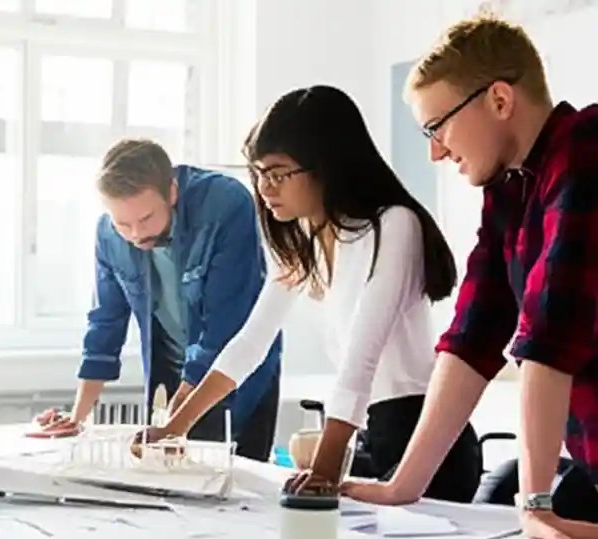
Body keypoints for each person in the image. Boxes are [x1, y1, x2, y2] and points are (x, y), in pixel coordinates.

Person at [342, 14, 598, 539]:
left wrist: (535, 504)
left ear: (499, 100)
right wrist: (402, 486)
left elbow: (548, 335)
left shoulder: (587, 151)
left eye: (439, 127)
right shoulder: (509, 189)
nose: (435, 150)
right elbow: (474, 333)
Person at [151, 87, 481, 502]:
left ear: (325, 164)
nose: (265, 188)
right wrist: (173, 429)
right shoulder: (306, 241)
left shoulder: (393, 225)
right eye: (258, 175)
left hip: (425, 441)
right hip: (371, 435)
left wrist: (326, 465)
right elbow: (250, 344)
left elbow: (364, 353)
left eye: (277, 173)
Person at [33, 138, 282, 462]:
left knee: (235, 492)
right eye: (123, 223)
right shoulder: (108, 235)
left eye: (147, 219)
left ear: (172, 192)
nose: (136, 234)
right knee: (164, 485)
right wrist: (78, 417)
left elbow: (225, 325)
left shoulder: (226, 206)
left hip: (236, 377)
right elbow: (105, 322)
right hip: (169, 374)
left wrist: (177, 422)